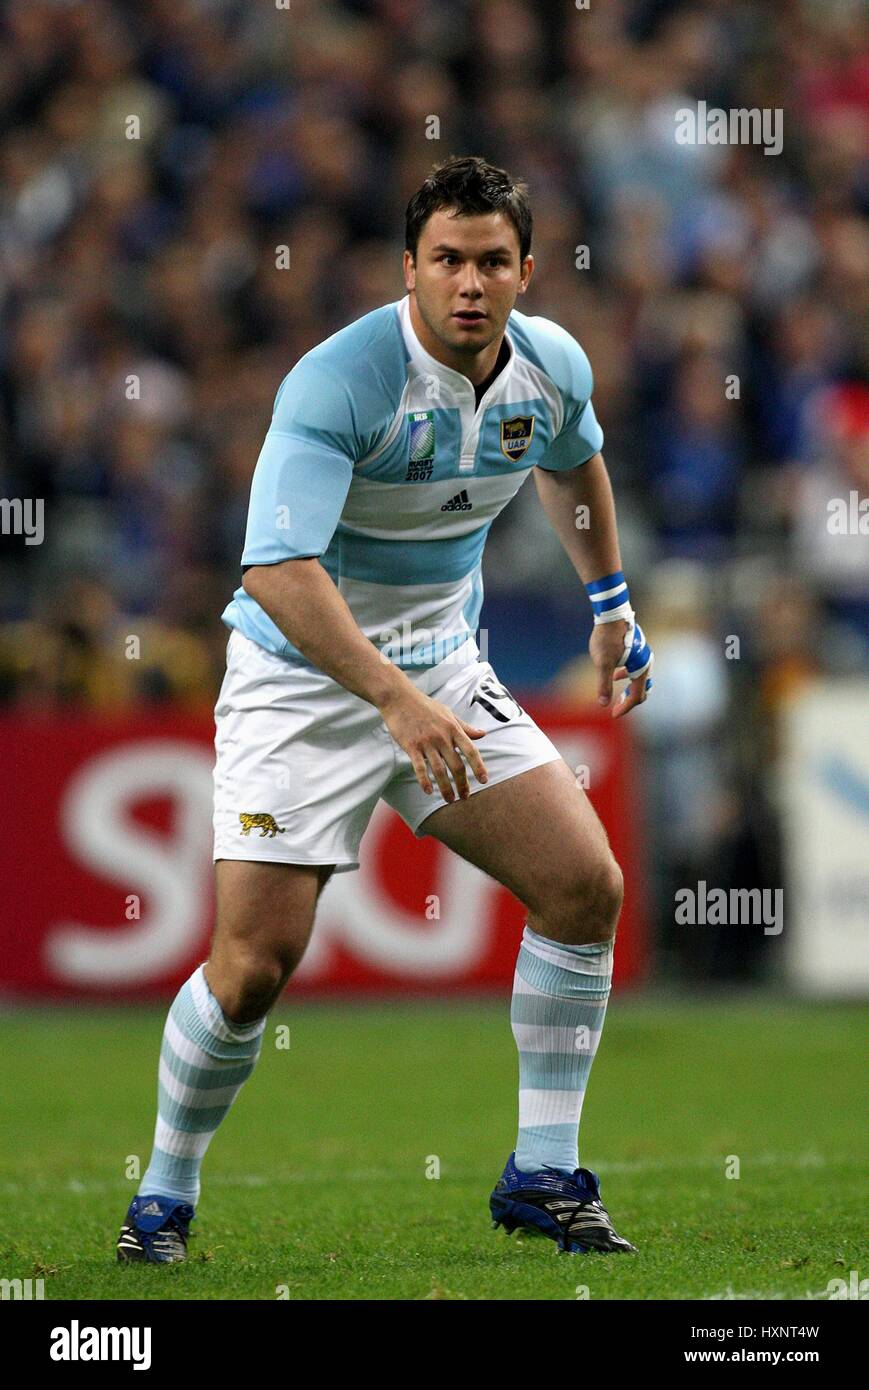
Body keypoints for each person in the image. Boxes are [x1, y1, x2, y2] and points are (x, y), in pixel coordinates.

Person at [116, 156, 653, 1265]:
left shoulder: (548, 366)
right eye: (446, 260)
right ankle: (161, 1194)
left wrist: (610, 605)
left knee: (581, 884)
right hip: (300, 682)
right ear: (407, 268)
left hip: (438, 670)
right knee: (254, 964)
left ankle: (542, 1171)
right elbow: (276, 568)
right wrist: (396, 701)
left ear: (525, 271)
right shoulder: (340, 379)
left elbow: (575, 464)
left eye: (491, 261)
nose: (468, 282)